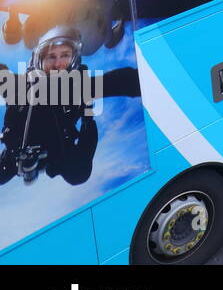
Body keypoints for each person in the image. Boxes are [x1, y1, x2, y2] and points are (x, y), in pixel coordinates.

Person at [0, 27, 140, 187]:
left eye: (65, 55)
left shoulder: (81, 88)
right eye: (51, 57)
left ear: (74, 59)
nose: (58, 64)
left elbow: (123, 81)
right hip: (14, 153)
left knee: (78, 174)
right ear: (38, 60)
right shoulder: (17, 86)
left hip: (58, 151)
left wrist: (154, 78)